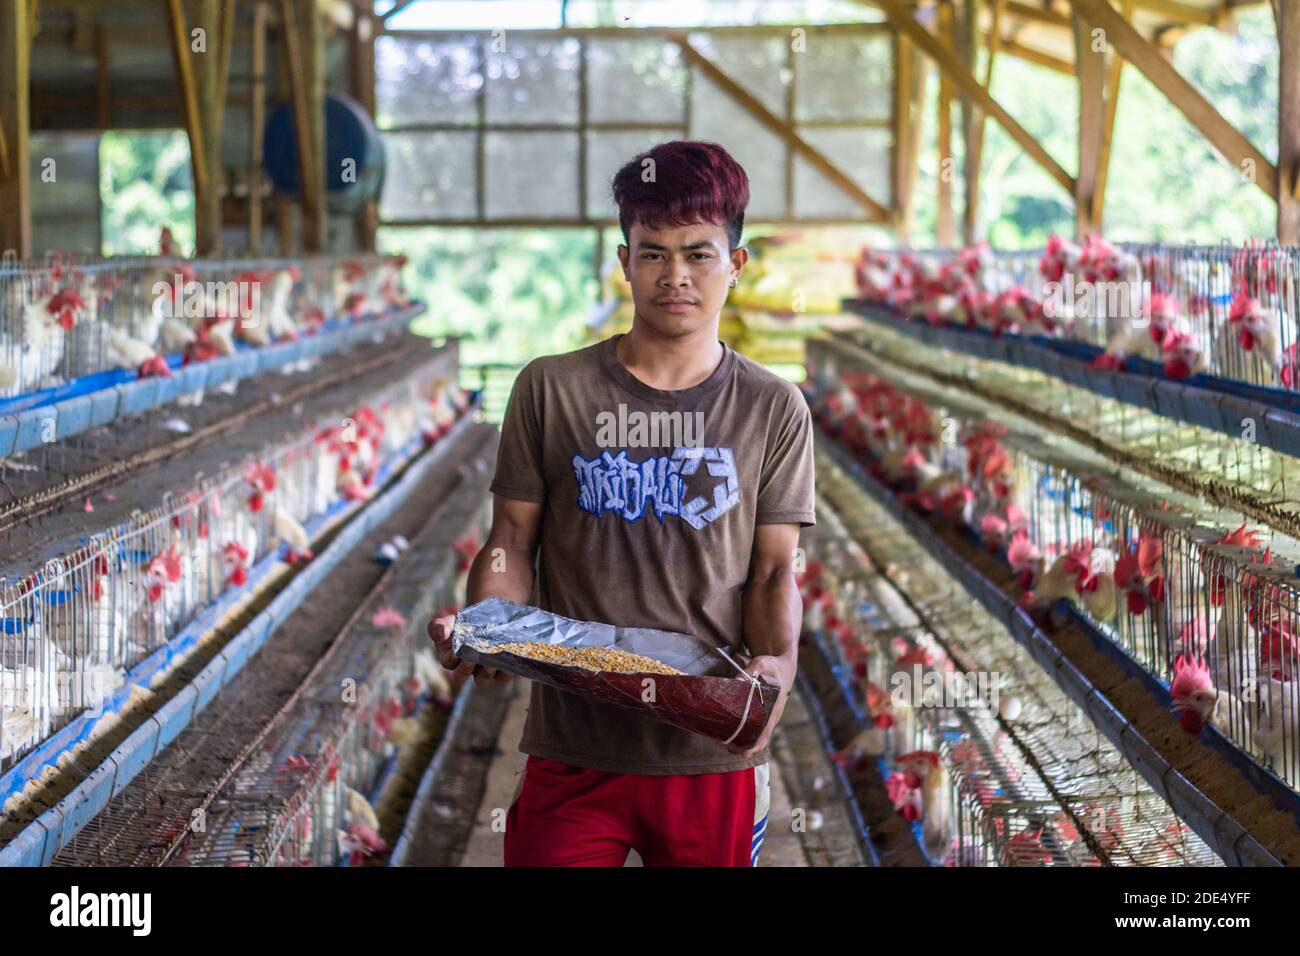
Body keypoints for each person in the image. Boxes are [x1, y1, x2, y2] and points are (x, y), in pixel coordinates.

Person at [427, 140, 815, 867]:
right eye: (652, 253)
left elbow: (772, 574)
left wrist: (774, 675)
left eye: (699, 254)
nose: (675, 276)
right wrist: (484, 627)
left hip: (706, 754)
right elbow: (511, 537)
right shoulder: (552, 389)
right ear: (624, 260)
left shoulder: (773, 408)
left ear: (737, 263)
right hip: (574, 748)